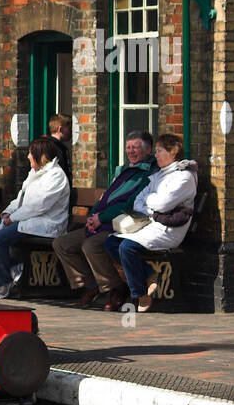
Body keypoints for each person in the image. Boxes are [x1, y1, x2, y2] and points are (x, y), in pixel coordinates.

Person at [53, 131, 155, 307]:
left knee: (91, 246)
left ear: (148, 150)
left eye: (135, 147)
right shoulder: (124, 170)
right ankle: (90, 286)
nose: (130, 151)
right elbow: (106, 197)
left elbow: (130, 203)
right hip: (101, 222)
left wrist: (101, 217)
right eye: (128, 147)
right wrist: (93, 216)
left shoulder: (147, 174)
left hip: (120, 225)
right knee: (62, 243)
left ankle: (115, 288)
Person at [102, 133, 198, 313]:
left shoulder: (184, 177)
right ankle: (149, 274)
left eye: (160, 151)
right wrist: (153, 205)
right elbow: (139, 201)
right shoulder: (160, 175)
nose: (156, 155)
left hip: (169, 229)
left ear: (173, 152)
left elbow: (163, 204)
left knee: (126, 248)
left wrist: (151, 202)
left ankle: (140, 294)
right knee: (110, 242)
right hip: (151, 223)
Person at [0, 136, 70, 299]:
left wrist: (13, 218)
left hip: (46, 223)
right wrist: (8, 212)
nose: (28, 157)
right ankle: (16, 267)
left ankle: (2, 283)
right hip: (28, 219)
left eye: (30, 153)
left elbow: (39, 205)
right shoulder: (35, 173)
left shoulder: (56, 176)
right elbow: (21, 198)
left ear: (41, 156)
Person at [49, 113, 73, 180]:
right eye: (69, 129)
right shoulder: (52, 147)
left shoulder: (61, 147)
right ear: (61, 129)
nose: (71, 132)